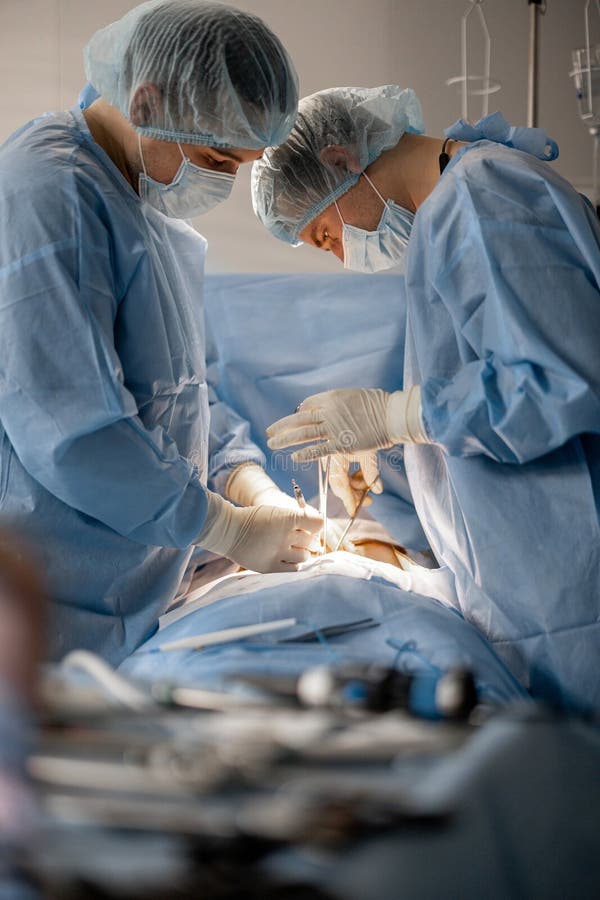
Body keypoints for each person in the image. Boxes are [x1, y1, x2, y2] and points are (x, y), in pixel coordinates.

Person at [251, 85, 600, 712]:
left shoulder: (484, 195)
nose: (338, 255)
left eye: (326, 234)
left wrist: (395, 417)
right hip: (535, 584)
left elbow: (561, 380)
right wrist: (397, 425)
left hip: (576, 583)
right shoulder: (452, 210)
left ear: (339, 159)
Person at [0, 0, 322, 666]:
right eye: (216, 158)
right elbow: (75, 430)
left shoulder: (141, 203)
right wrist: (223, 527)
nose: (225, 182)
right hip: (57, 607)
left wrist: (242, 478)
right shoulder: (50, 192)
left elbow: (178, 394)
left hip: (136, 591)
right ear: (145, 101)